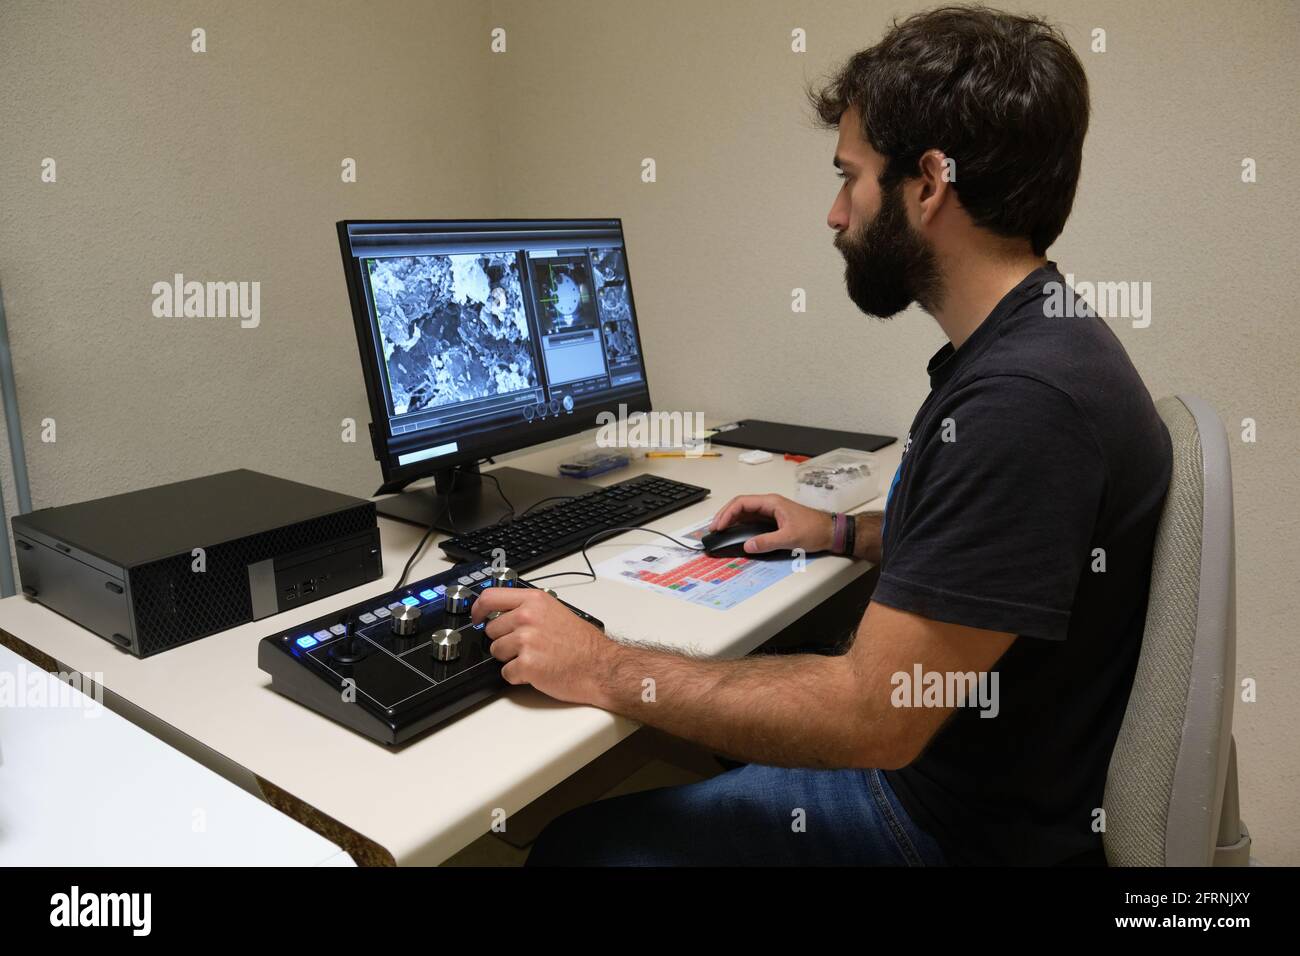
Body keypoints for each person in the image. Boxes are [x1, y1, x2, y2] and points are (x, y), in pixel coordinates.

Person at [471, 4, 1172, 866]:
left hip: (944, 824)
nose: (835, 214)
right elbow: (995, 554)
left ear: (927, 184)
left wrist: (601, 663)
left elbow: (868, 717)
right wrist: (839, 533)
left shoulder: (1023, 403)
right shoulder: (1036, 346)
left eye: (851, 176)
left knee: (578, 849)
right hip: (977, 774)